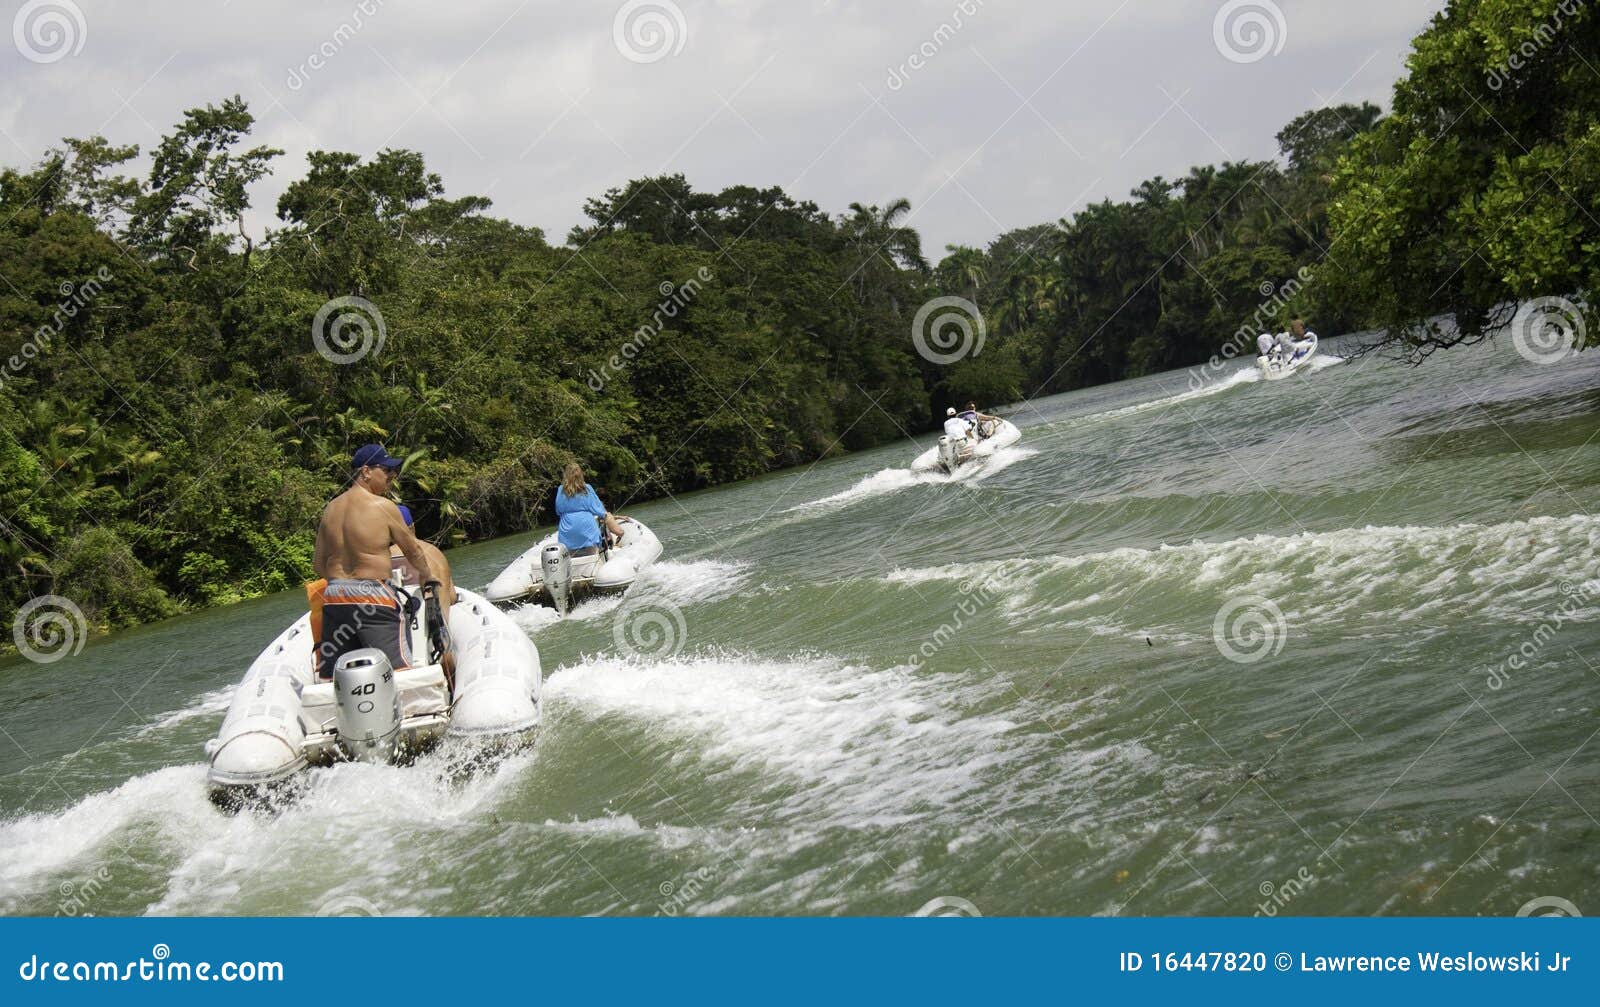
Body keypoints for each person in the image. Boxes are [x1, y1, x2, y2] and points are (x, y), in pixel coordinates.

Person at [312, 444, 437, 681]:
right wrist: (426, 575)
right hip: (373, 596)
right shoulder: (383, 506)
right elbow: (413, 551)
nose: (392, 476)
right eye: (386, 470)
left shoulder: (330, 509)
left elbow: (318, 565)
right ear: (366, 471)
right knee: (399, 673)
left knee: (336, 677)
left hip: (335, 596)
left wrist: (346, 586)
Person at [391, 504, 456, 684]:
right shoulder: (434, 552)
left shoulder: (386, 556)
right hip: (443, 650)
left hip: (405, 652)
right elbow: (452, 597)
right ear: (412, 526)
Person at [555, 462, 625, 557]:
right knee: (592, 557)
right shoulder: (586, 488)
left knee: (571, 560)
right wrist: (613, 520)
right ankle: (621, 534)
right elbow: (600, 511)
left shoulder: (560, 490)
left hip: (567, 533)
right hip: (587, 531)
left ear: (565, 475)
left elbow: (558, 510)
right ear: (581, 474)